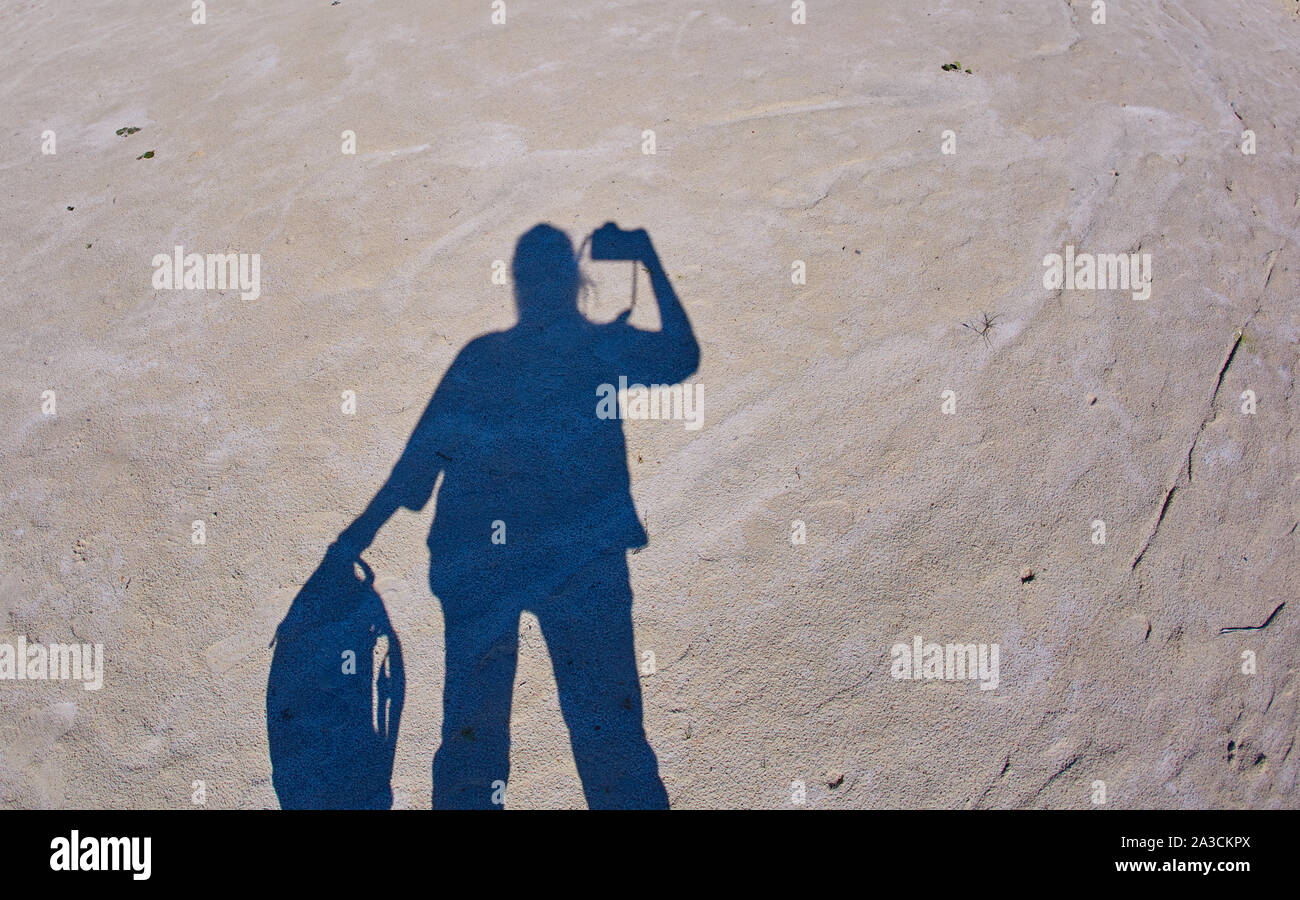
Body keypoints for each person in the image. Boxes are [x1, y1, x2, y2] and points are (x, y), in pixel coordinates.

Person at [333, 223, 699, 808]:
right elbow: (681, 356)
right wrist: (647, 256)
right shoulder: (601, 348)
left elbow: (417, 467)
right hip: (583, 559)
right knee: (611, 737)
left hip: (480, 561)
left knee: (471, 746)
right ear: (577, 284)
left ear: (519, 288)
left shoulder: (482, 357)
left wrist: (354, 538)